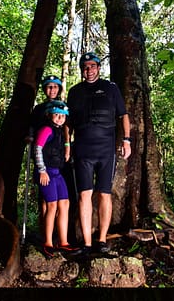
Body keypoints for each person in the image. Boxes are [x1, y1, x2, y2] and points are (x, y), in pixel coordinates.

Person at [66, 51, 131, 253]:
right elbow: (68, 122)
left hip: (106, 150)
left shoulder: (111, 88)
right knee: (84, 195)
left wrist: (127, 140)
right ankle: (86, 243)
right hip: (82, 150)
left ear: (98, 68)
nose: (89, 70)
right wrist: (67, 145)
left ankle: (102, 240)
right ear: (82, 70)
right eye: (85, 67)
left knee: (104, 193)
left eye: (92, 66)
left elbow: (123, 115)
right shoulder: (74, 92)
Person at [33, 103, 76, 257]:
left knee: (65, 204)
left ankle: (63, 242)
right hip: (46, 173)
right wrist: (41, 170)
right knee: (52, 206)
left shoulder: (60, 131)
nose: (59, 118)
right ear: (49, 115)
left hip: (57, 173)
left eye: (62, 116)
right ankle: (48, 243)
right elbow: (37, 148)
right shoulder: (46, 129)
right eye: (56, 115)